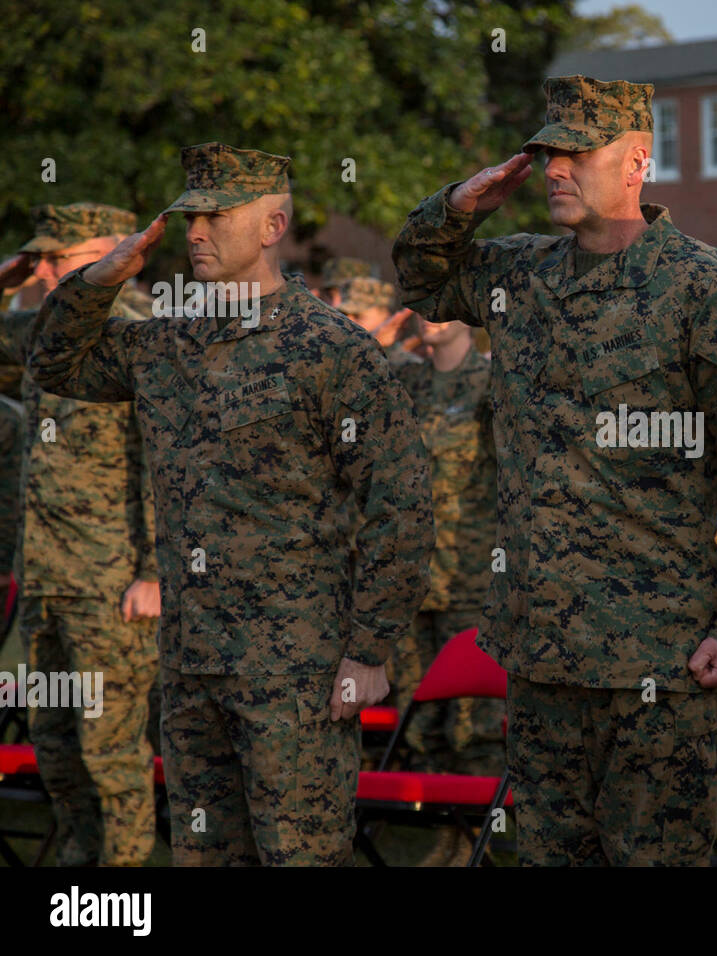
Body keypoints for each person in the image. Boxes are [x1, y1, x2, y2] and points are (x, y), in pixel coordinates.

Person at [394, 74, 717, 865]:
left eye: (578, 153)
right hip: (542, 649)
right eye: (547, 153)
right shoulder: (519, 274)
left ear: (637, 160)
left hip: (660, 656)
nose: (555, 170)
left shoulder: (703, 285)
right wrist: (461, 205)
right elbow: (420, 276)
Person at [29, 143, 435, 865]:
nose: (195, 231)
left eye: (216, 215)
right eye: (189, 215)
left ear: (274, 224)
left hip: (295, 671)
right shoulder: (166, 343)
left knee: (299, 857)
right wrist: (105, 274)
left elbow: (398, 498)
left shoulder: (328, 348)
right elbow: (53, 361)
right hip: (190, 663)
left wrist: (370, 647)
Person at [0, 203, 160, 866]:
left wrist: (156, 572)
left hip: (110, 585)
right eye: (40, 259)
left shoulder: (140, 333)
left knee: (112, 759)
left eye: (58, 259)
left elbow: (168, 461)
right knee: (57, 752)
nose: (45, 270)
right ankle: (78, 878)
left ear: (108, 253)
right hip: (47, 579)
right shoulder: (46, 329)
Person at [390, 314, 500, 783]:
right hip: (411, 575)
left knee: (474, 720)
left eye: (444, 306)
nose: (430, 316)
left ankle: (480, 827)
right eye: (423, 304)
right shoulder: (405, 378)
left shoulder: (492, 380)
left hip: (470, 573)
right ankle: (439, 827)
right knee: (414, 714)